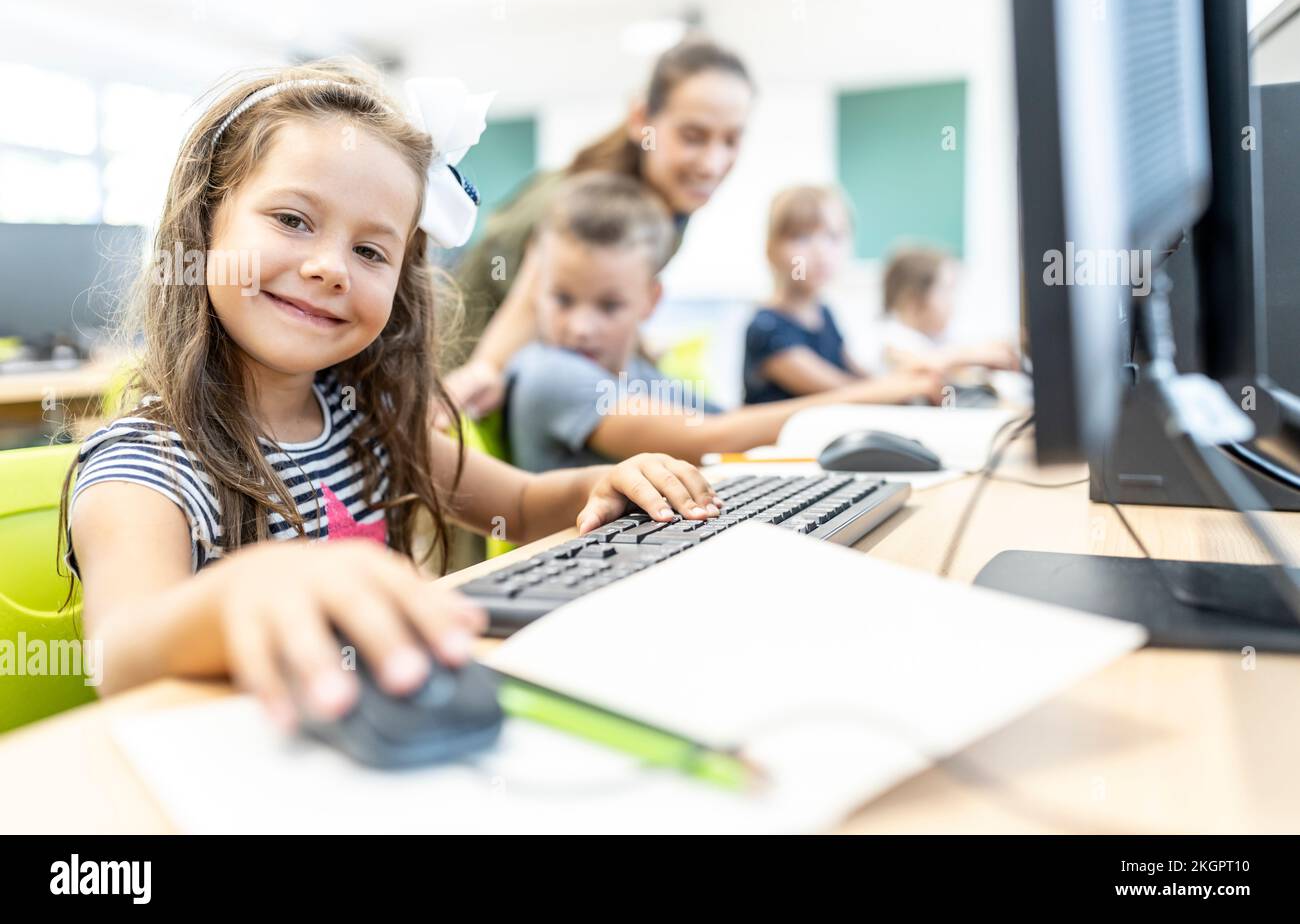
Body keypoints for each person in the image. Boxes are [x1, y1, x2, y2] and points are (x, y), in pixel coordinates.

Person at [62, 62, 720, 730]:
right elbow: (119, 655)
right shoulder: (147, 466)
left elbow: (520, 507)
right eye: (292, 219)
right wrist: (243, 587)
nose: (330, 267)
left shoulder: (361, 426)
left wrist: (608, 484)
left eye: (372, 251)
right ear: (204, 226)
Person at [503, 173, 942, 472]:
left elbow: (728, 417)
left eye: (608, 305)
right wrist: (877, 394)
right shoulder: (550, 373)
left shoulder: (635, 373)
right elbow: (709, 437)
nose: (580, 327)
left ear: (650, 301)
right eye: (562, 299)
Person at [442, 37, 755, 421]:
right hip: (459, 380)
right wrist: (486, 368)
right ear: (641, 119)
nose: (712, 163)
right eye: (693, 137)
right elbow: (531, 297)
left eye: (731, 140)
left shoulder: (668, 207)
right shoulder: (586, 204)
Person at [743, 185, 872, 404]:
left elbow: (859, 374)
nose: (820, 252)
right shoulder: (766, 327)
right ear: (770, 250)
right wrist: (897, 387)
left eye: (833, 237)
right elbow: (841, 392)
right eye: (801, 237)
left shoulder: (824, 313)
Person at [874, 246, 1020, 376]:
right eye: (946, 290)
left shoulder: (933, 337)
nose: (952, 302)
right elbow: (918, 365)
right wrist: (973, 356)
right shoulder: (889, 337)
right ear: (913, 299)